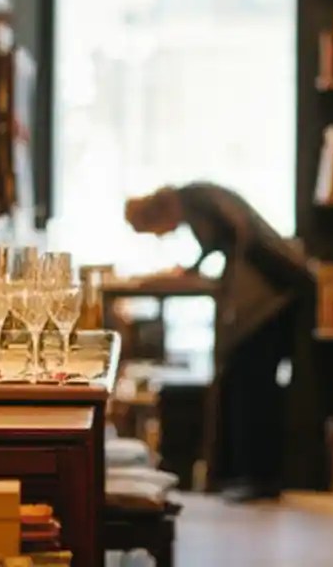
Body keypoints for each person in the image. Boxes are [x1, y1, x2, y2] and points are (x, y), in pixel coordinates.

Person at [124, 182, 317, 502]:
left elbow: (237, 235)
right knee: (250, 382)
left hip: (272, 294)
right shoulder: (196, 202)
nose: (165, 235)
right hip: (270, 294)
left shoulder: (196, 200)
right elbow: (224, 240)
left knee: (254, 384)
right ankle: (249, 476)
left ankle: (259, 478)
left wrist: (216, 285)